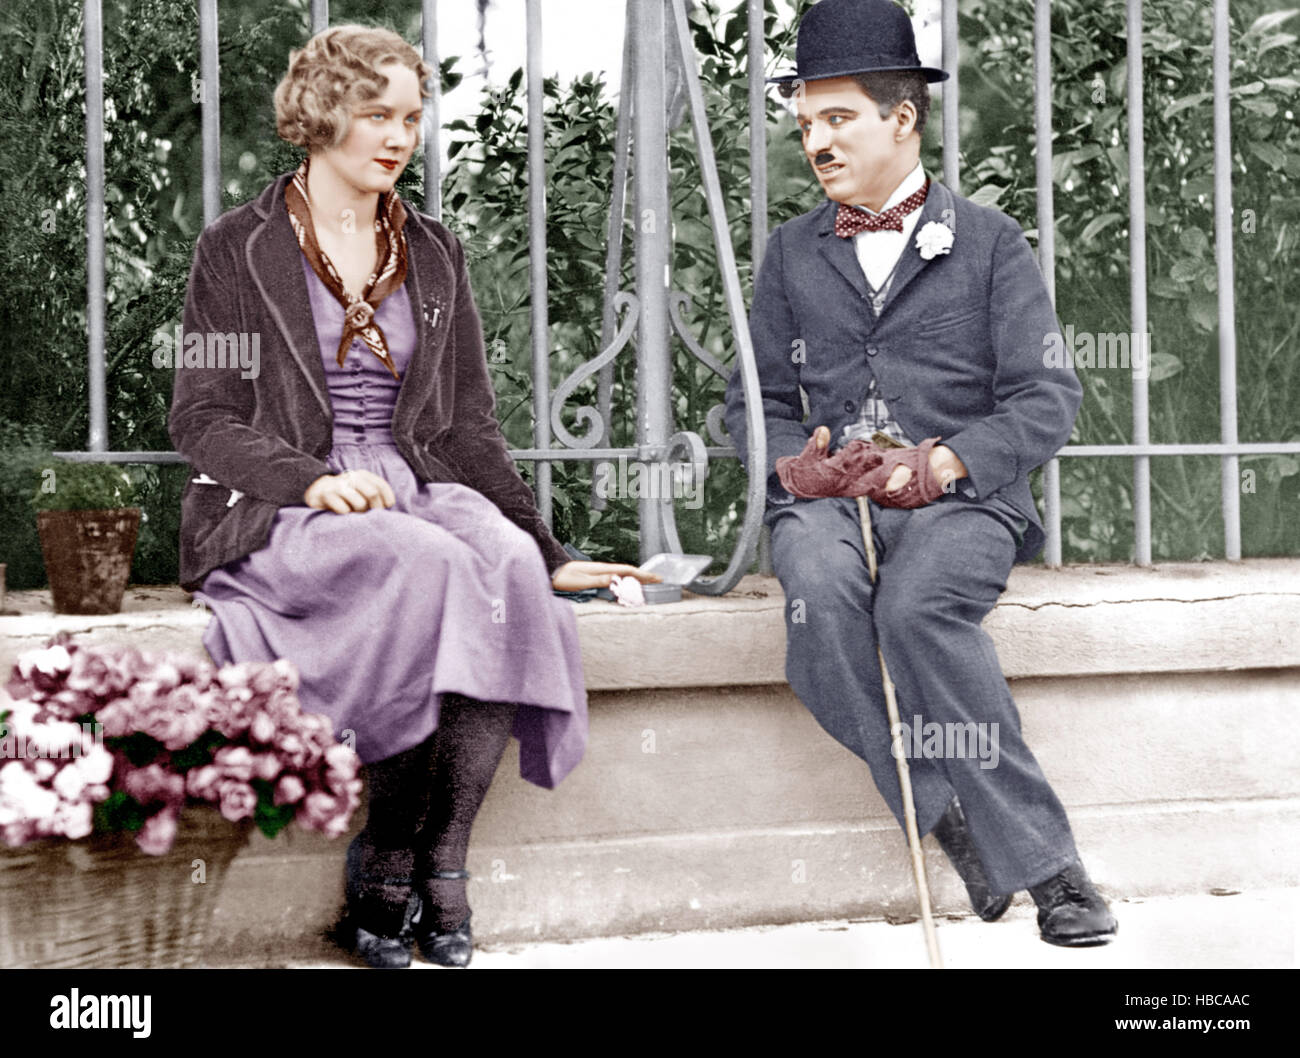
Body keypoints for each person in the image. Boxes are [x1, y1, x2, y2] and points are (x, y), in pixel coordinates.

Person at [168, 23, 658, 969]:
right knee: (431, 567)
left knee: (506, 569)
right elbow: (203, 418)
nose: (399, 135)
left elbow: (468, 426)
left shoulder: (432, 251)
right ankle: (385, 853)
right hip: (287, 504)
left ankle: (446, 856)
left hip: (414, 482)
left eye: (411, 116)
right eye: (375, 114)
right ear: (319, 117)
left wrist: (549, 551)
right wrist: (312, 477)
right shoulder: (236, 246)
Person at [723, 0, 1117, 946]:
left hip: (961, 501)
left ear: (902, 117)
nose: (815, 141)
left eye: (838, 118)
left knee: (914, 610)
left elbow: (1044, 397)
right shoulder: (790, 253)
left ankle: (1051, 869)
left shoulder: (987, 243)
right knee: (816, 595)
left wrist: (943, 460)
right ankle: (939, 806)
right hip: (830, 502)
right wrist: (794, 465)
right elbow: (757, 400)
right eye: (806, 122)